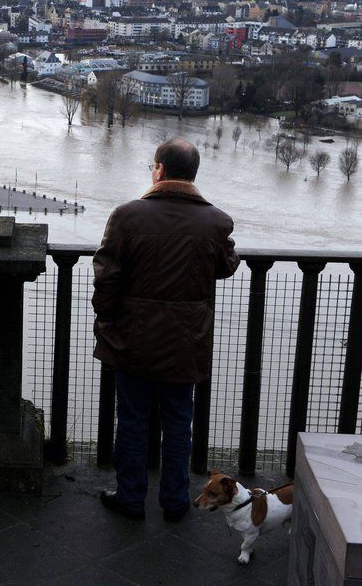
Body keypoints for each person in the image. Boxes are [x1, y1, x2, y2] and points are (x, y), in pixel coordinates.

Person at [92, 138, 239, 523]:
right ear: (194, 174)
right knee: (178, 424)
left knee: (132, 421)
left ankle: (130, 498)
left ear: (159, 169)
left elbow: (106, 277)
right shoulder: (216, 222)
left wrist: (107, 319)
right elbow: (225, 266)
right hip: (185, 343)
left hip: (133, 340)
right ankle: (175, 501)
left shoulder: (126, 216)